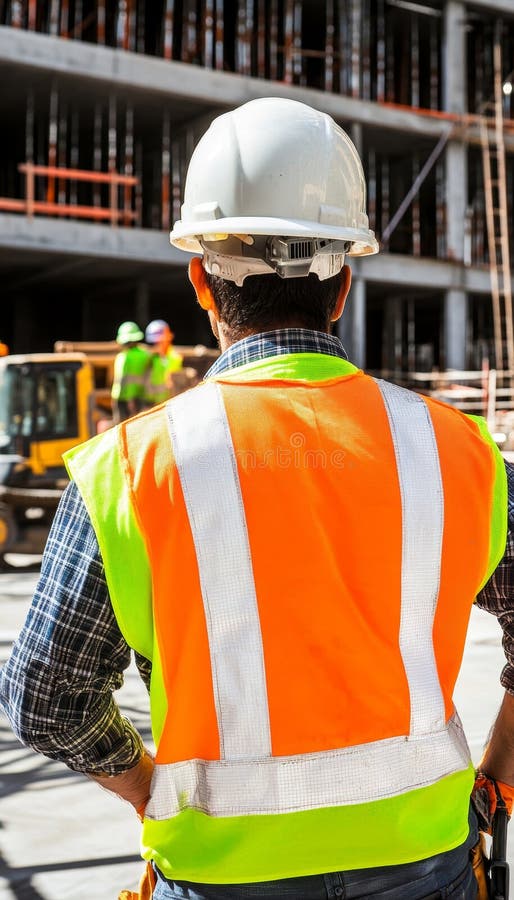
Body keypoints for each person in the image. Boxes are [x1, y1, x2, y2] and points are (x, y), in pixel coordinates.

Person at [0, 97, 513, 900]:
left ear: (201, 282)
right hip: (429, 863)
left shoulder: (129, 469)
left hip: (221, 878)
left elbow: (45, 699)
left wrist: (148, 790)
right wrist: (500, 768)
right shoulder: (459, 451)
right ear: (342, 284)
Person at [111, 321, 150, 424]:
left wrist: (129, 400)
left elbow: (122, 381)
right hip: (141, 397)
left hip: (124, 400)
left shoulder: (123, 357)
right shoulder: (145, 354)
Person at [144, 319, 183, 405]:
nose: (157, 344)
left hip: (171, 404)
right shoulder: (153, 358)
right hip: (153, 404)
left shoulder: (174, 358)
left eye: (159, 341)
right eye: (155, 342)